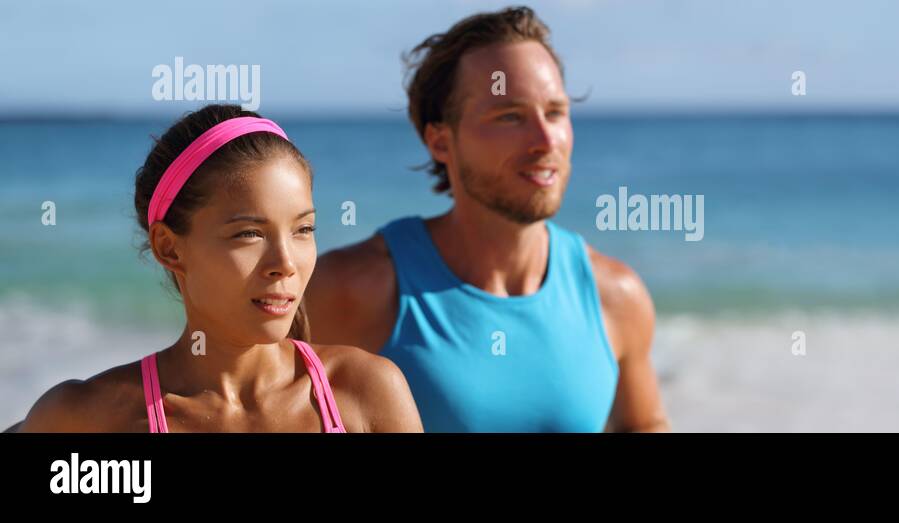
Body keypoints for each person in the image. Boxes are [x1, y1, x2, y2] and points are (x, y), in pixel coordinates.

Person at [305, 7, 669, 432]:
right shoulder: (353, 289)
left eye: (555, 112)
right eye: (510, 116)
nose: (546, 140)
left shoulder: (616, 295)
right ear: (440, 140)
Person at [19, 104, 423, 433]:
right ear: (169, 247)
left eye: (303, 229)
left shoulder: (365, 392)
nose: (285, 264)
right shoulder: (91, 419)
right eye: (248, 233)